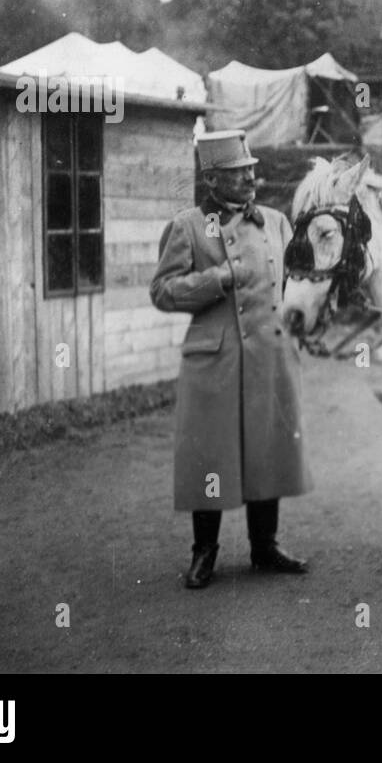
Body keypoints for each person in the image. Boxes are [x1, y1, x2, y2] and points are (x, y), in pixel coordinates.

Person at [150, 130, 312, 589]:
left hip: (270, 353)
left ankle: (265, 545)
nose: (250, 178)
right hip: (215, 359)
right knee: (211, 455)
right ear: (213, 179)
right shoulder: (189, 226)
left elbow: (290, 284)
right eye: (239, 173)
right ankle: (205, 552)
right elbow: (161, 290)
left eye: (251, 170)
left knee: (269, 447)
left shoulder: (277, 222)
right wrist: (216, 278)